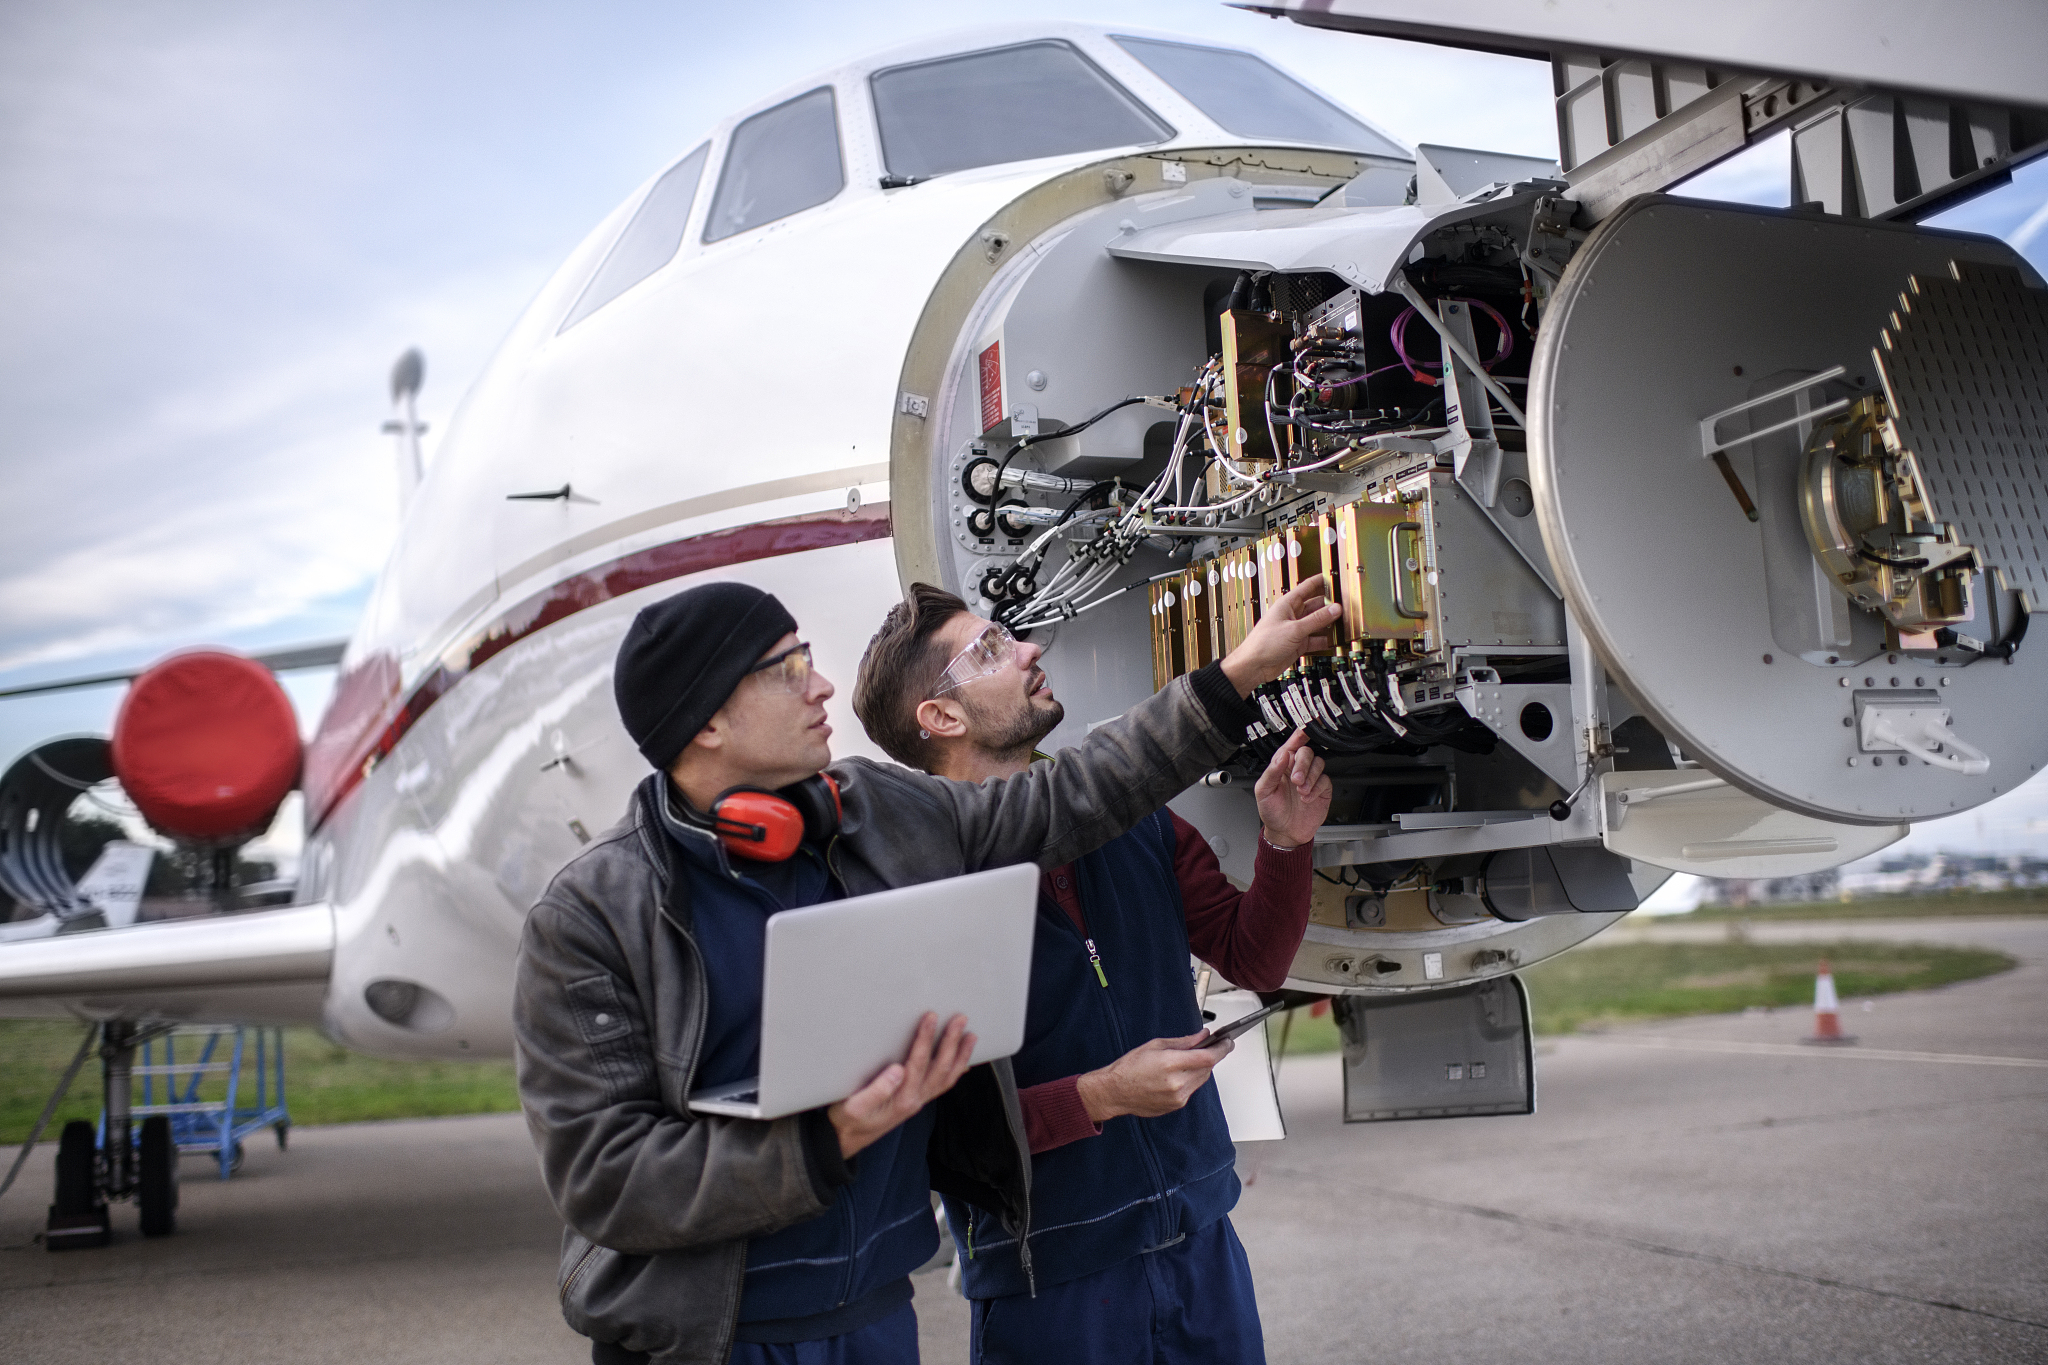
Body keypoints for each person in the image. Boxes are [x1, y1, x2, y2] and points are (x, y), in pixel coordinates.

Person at [514, 574, 1341, 1365]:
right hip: (711, 1336)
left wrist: (1237, 679)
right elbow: (606, 1177)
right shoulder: (589, 917)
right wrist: (827, 1138)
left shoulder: (871, 816)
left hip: (876, 1312)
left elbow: (1069, 799)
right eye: (790, 668)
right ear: (707, 724)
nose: (821, 686)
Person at [852, 585, 1328, 1364]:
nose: (1030, 651)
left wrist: (1286, 842)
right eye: (992, 651)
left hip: (1202, 1239)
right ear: (941, 717)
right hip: (1052, 1281)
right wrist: (1102, 1096)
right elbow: (937, 1133)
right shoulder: (914, 886)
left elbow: (1253, 958)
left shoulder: (1137, 821)